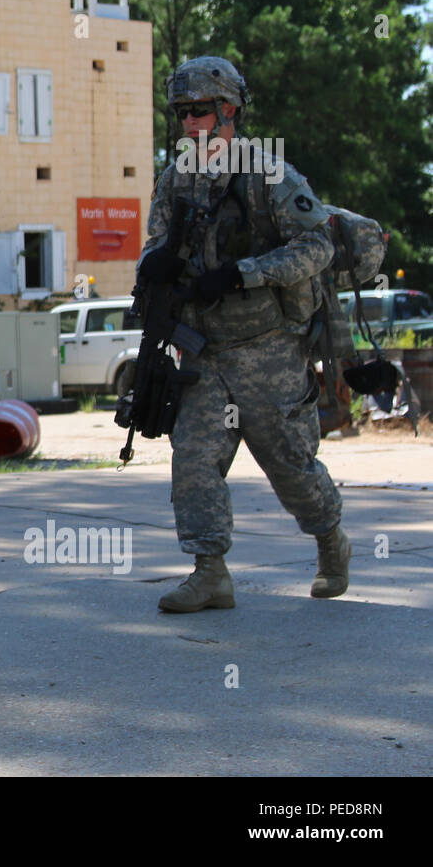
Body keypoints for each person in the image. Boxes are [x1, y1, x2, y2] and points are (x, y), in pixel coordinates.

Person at [137, 56, 349, 612]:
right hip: (203, 349)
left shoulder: (270, 173)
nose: (188, 123)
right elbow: (155, 241)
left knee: (290, 469)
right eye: (181, 112)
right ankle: (210, 572)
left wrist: (242, 273)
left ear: (228, 110)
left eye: (199, 111)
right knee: (194, 459)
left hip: (267, 348)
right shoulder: (176, 178)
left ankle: (331, 541)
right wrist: (153, 265)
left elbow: (317, 246)